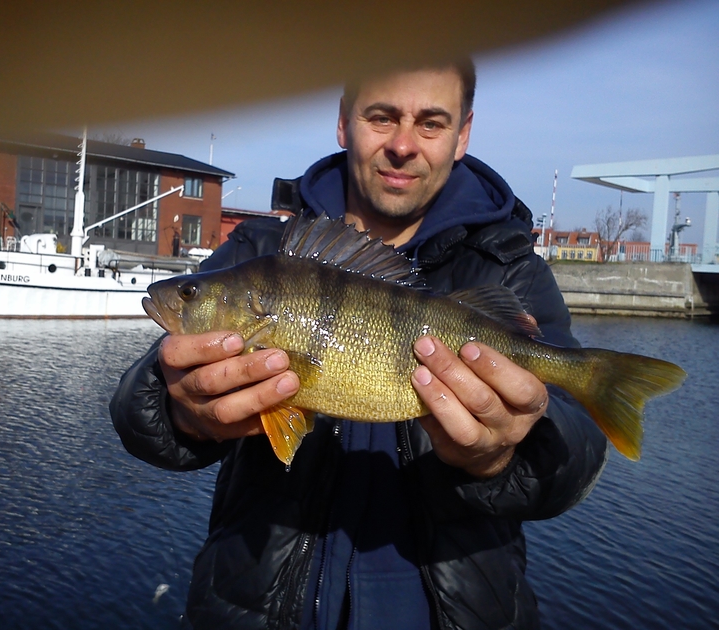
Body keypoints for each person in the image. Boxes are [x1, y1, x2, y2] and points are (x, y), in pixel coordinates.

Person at [110, 59, 608, 630]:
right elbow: (136, 405)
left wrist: (501, 456)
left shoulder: (508, 269)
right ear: (343, 123)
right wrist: (180, 409)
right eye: (381, 117)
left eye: (431, 123)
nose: (403, 145)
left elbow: (578, 453)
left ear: (463, 133)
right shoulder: (261, 251)